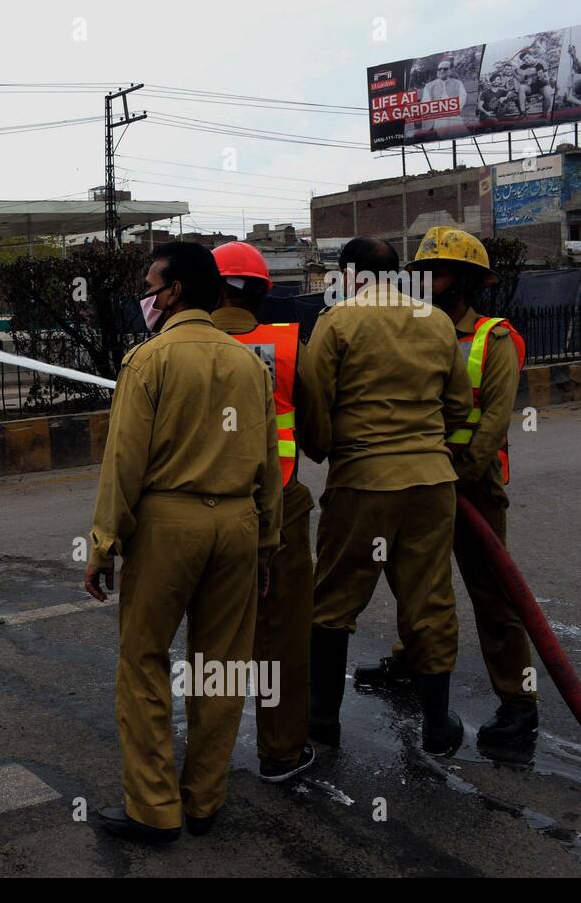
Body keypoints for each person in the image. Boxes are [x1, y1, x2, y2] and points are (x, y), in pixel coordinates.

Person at [85, 242, 282, 843]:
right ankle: (203, 800)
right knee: (220, 669)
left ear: (172, 293)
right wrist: (266, 544)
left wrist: (103, 543)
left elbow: (124, 463)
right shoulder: (249, 364)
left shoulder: (147, 361)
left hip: (169, 526)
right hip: (237, 525)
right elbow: (268, 463)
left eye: (151, 285)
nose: (146, 295)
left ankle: (153, 808)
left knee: (144, 661)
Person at [355, 228, 534, 744]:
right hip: (420, 481)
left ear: (468, 280)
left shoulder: (494, 338)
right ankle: (413, 666)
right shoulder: (413, 329)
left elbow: (495, 421)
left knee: (492, 594)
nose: (427, 281)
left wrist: (459, 477)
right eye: (423, 272)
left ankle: (519, 704)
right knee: (414, 584)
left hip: (469, 485)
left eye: (438, 272)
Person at [300, 236, 472, 755]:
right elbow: (460, 406)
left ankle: (323, 722)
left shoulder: (337, 323)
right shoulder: (436, 321)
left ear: (348, 274)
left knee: (333, 603)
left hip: (363, 483)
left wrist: (327, 450)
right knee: (430, 600)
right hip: (432, 483)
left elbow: (316, 407)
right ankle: (438, 726)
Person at [210, 241, 317, 782]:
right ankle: (280, 752)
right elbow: (318, 434)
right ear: (264, 293)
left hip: (204, 513)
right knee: (281, 635)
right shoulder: (288, 343)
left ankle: (208, 764)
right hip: (279, 509)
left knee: (213, 635)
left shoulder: (172, 347)